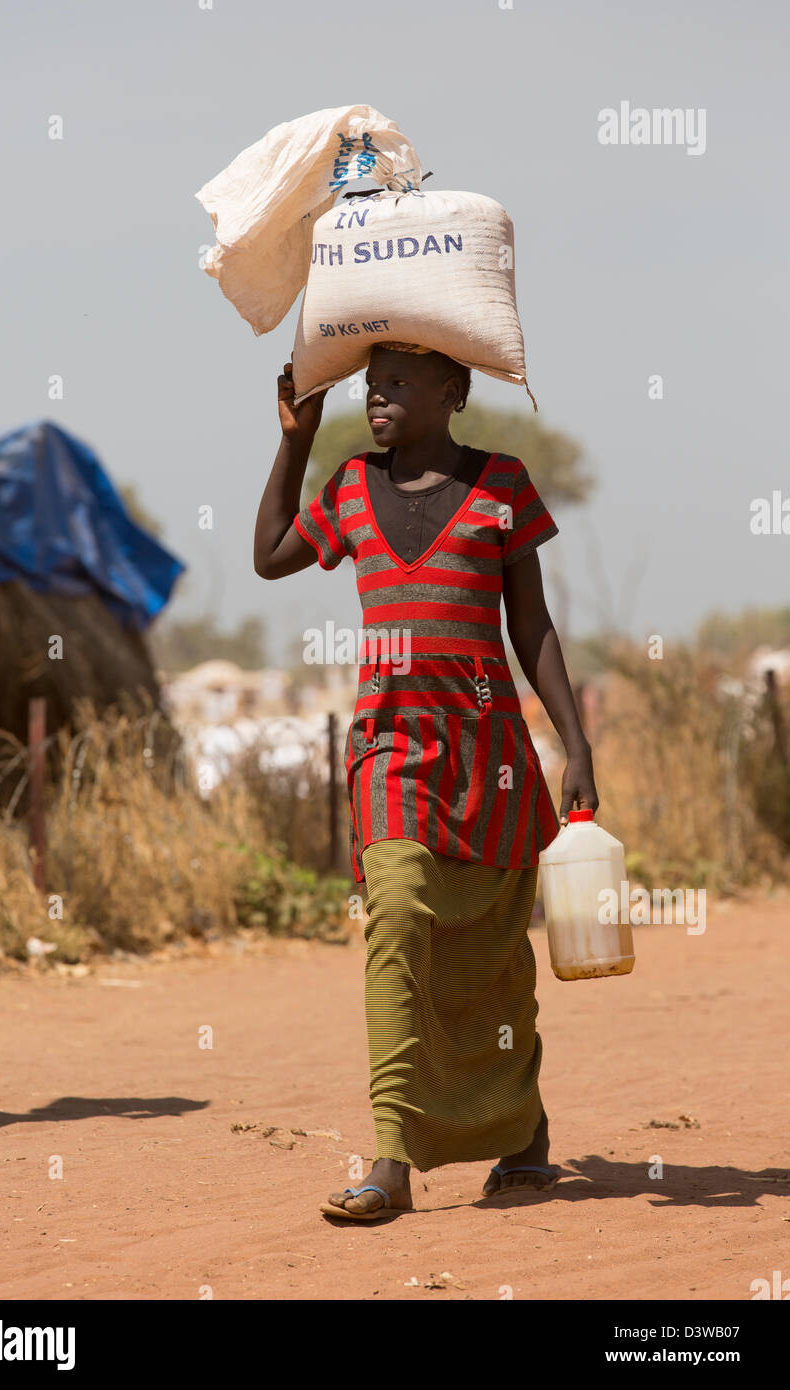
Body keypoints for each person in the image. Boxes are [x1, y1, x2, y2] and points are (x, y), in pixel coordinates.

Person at [254, 344, 598, 1221]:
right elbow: (269, 557)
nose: (376, 395)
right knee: (399, 916)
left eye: (397, 382)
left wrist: (576, 744)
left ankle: (521, 1133)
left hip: (489, 753)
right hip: (391, 750)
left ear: (452, 393)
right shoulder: (349, 487)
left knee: (487, 954)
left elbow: (534, 626)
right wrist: (295, 441)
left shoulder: (502, 486)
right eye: (372, 383)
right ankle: (392, 1157)